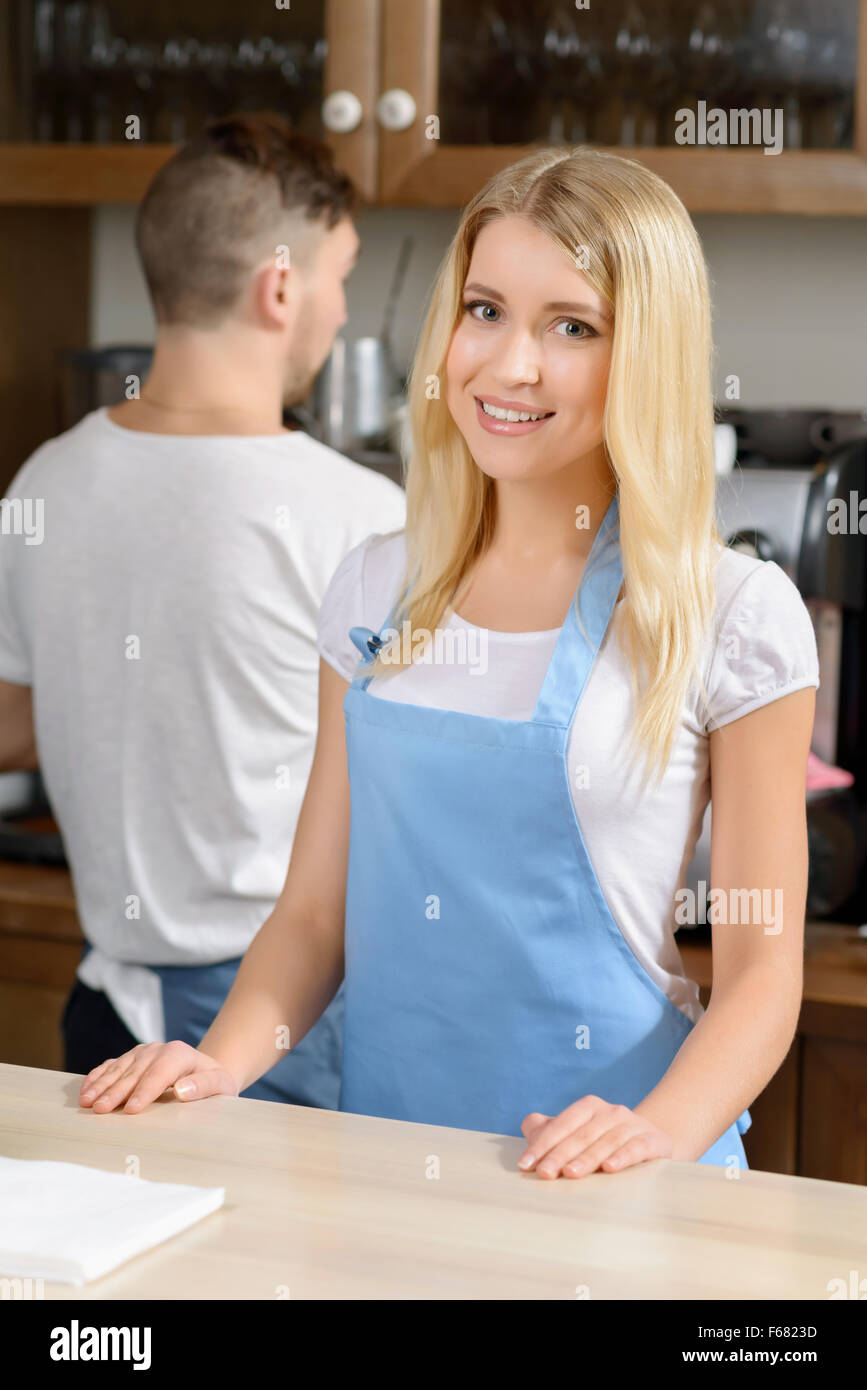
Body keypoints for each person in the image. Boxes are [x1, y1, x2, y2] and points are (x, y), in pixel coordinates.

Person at [73, 146, 819, 1179]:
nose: (511, 364)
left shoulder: (733, 615)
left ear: (647, 351)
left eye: (574, 326)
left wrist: (656, 1133)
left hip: (633, 1188)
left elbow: (762, 975)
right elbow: (313, 918)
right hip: (392, 1177)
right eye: (485, 310)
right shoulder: (375, 590)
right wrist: (215, 1065)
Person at [0, 112, 405, 1109]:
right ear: (279, 287)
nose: (342, 311)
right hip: (283, 1029)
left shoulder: (45, 481)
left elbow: (12, 725)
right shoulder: (354, 513)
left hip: (105, 1014)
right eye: (340, 277)